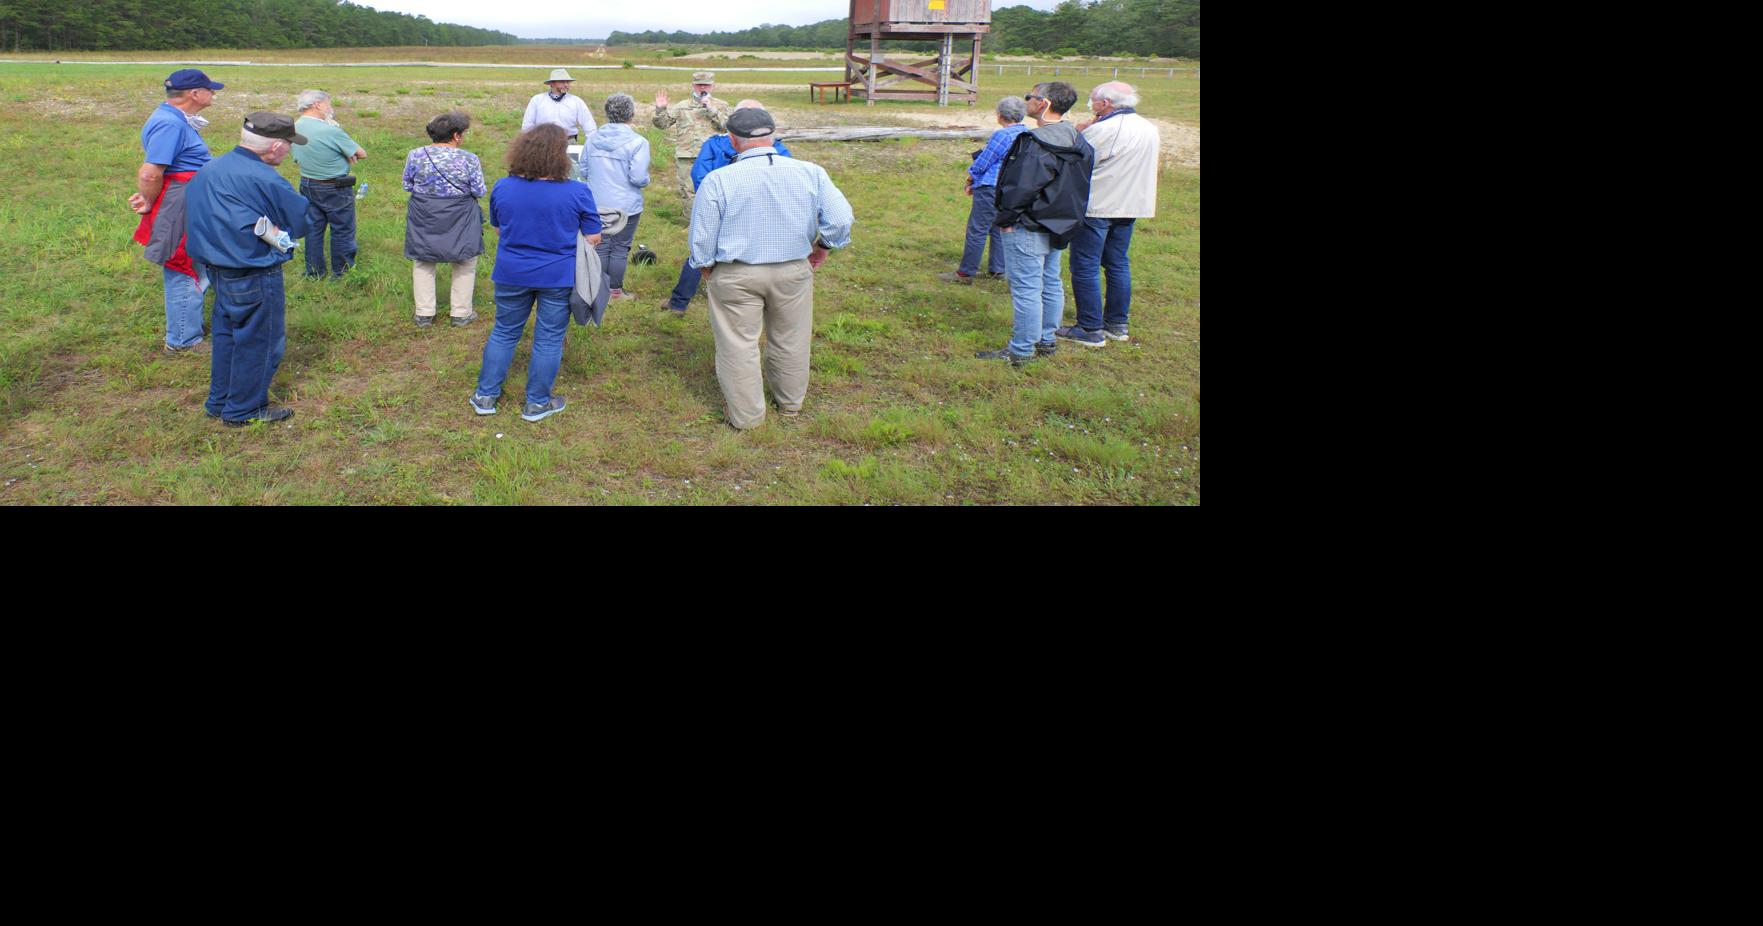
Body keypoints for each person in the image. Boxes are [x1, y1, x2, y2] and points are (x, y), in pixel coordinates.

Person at [689, 108, 853, 430]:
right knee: (791, 337)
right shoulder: (810, 172)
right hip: (792, 269)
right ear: (774, 137)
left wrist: (706, 267)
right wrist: (824, 246)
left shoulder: (717, 180)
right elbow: (841, 219)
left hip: (735, 272)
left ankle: (748, 419)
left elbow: (702, 235)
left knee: (738, 344)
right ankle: (790, 406)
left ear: (733, 141)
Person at [184, 112, 312, 426]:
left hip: (216, 268)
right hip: (253, 271)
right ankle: (244, 408)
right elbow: (303, 221)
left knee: (227, 336)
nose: (289, 151)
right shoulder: (266, 178)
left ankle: (220, 400)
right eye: (289, 146)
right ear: (277, 148)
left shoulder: (211, 168)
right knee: (260, 341)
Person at [471, 125, 603, 422]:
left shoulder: (503, 186)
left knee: (504, 332)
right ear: (561, 156)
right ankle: (537, 403)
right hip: (557, 276)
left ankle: (485, 395)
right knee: (549, 339)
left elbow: (499, 228)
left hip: (510, 272)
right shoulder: (578, 191)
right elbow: (594, 237)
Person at [977, 81, 1094, 368]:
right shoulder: (1078, 140)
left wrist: (1007, 219)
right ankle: (1046, 339)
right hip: (1060, 223)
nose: (1026, 100)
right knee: (1050, 282)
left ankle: (1021, 350)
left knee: (1027, 287)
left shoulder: (1036, 142)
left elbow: (1020, 186)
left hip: (1029, 224)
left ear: (1044, 104)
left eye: (1030, 96)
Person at [662, 99, 791, 316]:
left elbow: (699, 177)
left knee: (701, 251)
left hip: (723, 211)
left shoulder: (714, 144)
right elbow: (785, 179)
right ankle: (767, 305)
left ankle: (679, 303)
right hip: (760, 214)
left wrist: (715, 204)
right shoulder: (776, 148)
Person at [1056, 81, 1160, 346]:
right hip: (1132, 203)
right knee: (1117, 263)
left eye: (1094, 101)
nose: (1092, 106)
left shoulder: (1104, 129)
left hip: (1099, 205)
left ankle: (1090, 328)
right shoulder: (1149, 128)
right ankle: (1116, 323)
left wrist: (1079, 133)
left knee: (1085, 265)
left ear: (1106, 103)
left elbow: (1076, 160)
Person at [129, 68, 222, 353]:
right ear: (194, 94)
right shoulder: (170, 123)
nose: (214, 93)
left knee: (197, 260)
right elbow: (150, 173)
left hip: (185, 196)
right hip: (181, 200)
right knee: (184, 264)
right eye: (209, 89)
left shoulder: (174, 118)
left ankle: (188, 327)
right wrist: (148, 200)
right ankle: (182, 339)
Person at [402, 111, 486, 328]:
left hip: (424, 212)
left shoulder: (415, 155)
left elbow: (407, 185)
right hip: (460, 213)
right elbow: (479, 190)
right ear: (456, 135)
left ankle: (424, 313)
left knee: (423, 259)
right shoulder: (469, 158)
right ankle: (460, 313)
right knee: (465, 259)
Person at [938, 96, 1028, 285]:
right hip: (1011, 189)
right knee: (999, 227)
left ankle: (965, 273)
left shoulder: (1002, 135)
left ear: (1000, 115)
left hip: (990, 187)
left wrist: (971, 178)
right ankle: (998, 269)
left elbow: (984, 162)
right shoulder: (1027, 134)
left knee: (977, 230)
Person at [290, 90, 366, 279]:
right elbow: (361, 153)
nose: (330, 107)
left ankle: (314, 272)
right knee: (342, 229)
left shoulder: (294, 127)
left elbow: (299, 157)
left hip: (307, 182)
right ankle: (342, 273)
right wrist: (346, 153)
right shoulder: (330, 130)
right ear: (317, 104)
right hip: (334, 187)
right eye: (328, 103)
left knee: (313, 230)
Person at [580, 93, 649, 301]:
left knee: (600, 245)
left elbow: (583, 171)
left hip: (596, 203)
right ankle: (615, 292)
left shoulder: (592, 139)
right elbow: (638, 178)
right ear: (632, 114)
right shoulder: (638, 142)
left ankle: (598, 290)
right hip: (627, 206)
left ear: (607, 113)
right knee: (620, 247)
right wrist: (646, 179)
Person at [652, 70, 731, 209]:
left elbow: (727, 126)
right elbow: (662, 124)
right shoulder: (682, 106)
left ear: (712, 86)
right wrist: (660, 110)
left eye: (706, 85)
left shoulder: (721, 105)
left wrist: (711, 109)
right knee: (689, 192)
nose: (702, 88)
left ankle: (715, 223)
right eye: (699, 85)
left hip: (714, 155)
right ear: (693, 85)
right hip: (687, 156)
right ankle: (692, 225)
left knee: (716, 190)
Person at [522, 68, 596, 143]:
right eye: (562, 82)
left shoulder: (576, 102)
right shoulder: (537, 100)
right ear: (552, 83)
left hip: (568, 142)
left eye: (568, 82)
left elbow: (589, 125)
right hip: (542, 142)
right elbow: (528, 124)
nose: (566, 85)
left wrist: (592, 145)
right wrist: (526, 143)